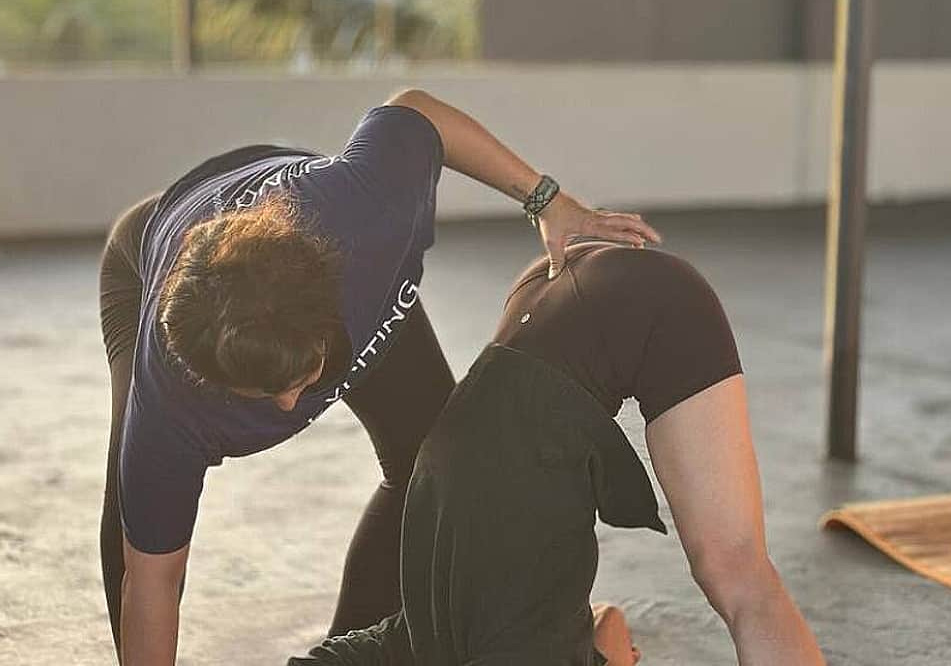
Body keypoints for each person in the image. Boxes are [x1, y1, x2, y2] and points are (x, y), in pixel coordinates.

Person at [97, 88, 660, 664]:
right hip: (146, 257)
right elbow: (153, 584)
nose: (291, 406)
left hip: (296, 241)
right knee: (137, 525)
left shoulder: (365, 214)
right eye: (265, 393)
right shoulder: (171, 405)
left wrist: (547, 200)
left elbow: (420, 111)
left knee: (435, 470)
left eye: (301, 378)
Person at [288, 242, 827, 666]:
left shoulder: (507, 636)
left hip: (650, 305)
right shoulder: (432, 628)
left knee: (739, 576)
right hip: (547, 288)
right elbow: (608, 624)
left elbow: (606, 632)